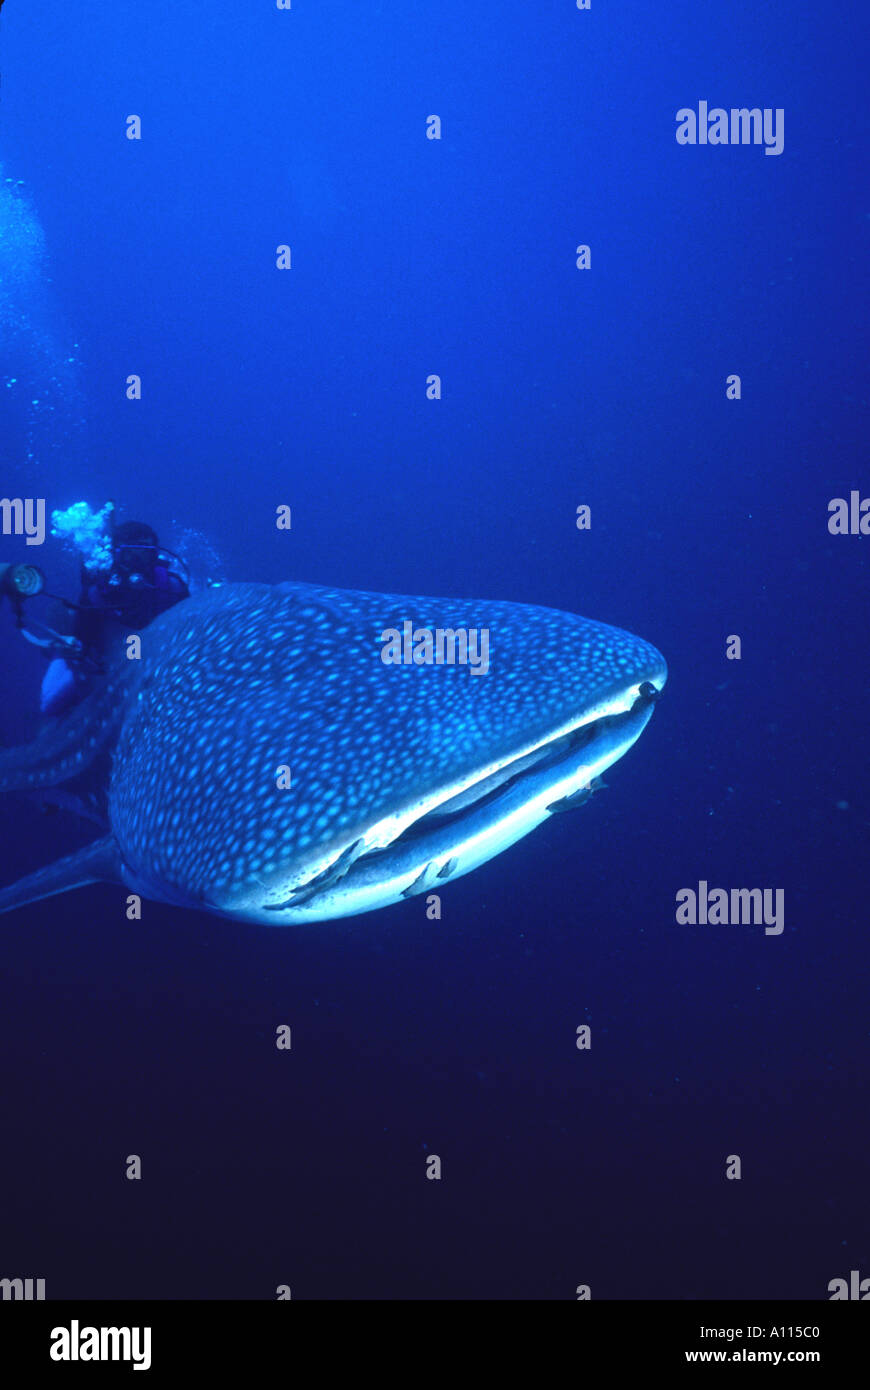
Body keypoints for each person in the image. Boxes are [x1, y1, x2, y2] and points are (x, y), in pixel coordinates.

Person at [38, 517, 190, 716]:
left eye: (146, 553)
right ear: (117, 555)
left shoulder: (171, 587)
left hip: (155, 654)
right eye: (132, 554)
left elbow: (189, 629)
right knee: (50, 703)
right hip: (107, 654)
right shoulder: (99, 592)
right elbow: (82, 641)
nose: (139, 562)